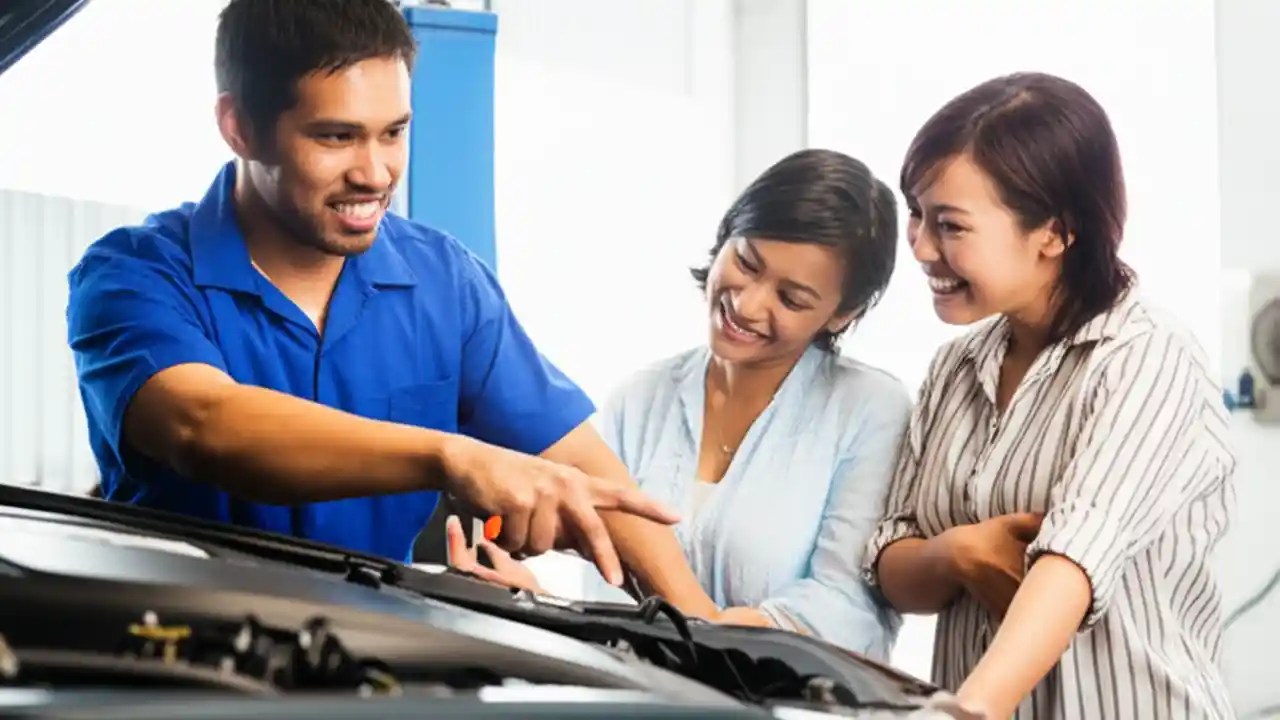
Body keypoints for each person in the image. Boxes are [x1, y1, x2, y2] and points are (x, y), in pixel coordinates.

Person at [63, 0, 720, 618]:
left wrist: (713, 636)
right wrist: (452, 457)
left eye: (394, 133)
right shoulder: (133, 275)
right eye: (337, 137)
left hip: (384, 665)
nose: (376, 173)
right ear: (240, 127)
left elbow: (588, 476)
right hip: (181, 662)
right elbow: (205, 425)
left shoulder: (444, 283)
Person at [862, 72, 1236, 719]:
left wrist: (965, 710)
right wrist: (957, 552)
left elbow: (1071, 564)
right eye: (916, 213)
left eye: (949, 225)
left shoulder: (1147, 357)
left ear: (1056, 233)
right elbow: (891, 568)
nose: (920, 246)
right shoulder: (954, 369)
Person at [453, 149, 912, 659]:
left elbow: (847, 606)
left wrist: (706, 629)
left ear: (842, 315)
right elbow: (616, 599)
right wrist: (538, 600)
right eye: (746, 262)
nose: (748, 304)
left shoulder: (871, 410)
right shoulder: (642, 397)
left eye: (792, 299)